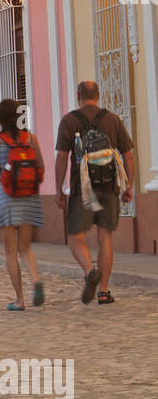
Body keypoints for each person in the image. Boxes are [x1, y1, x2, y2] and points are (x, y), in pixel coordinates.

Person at [54, 81, 134, 305]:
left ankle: (90, 271)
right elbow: (128, 155)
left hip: (82, 189)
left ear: (78, 95)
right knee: (105, 238)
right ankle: (104, 291)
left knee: (75, 237)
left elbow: (61, 157)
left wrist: (59, 189)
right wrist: (129, 185)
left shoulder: (69, 121)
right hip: (109, 188)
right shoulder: (112, 119)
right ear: (98, 95)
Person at [0, 99, 46, 310]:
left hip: (6, 199)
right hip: (29, 198)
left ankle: (20, 300)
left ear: (0, 118)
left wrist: (4, 177)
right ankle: (37, 280)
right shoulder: (30, 138)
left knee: (10, 251)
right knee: (26, 248)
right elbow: (41, 167)